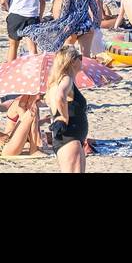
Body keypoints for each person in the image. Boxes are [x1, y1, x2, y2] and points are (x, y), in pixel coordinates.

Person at [46, 45, 88, 173]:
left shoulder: (54, 82)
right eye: (80, 57)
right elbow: (60, 96)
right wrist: (64, 117)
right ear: (73, 61)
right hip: (70, 137)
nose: (82, 60)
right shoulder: (66, 79)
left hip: (68, 137)